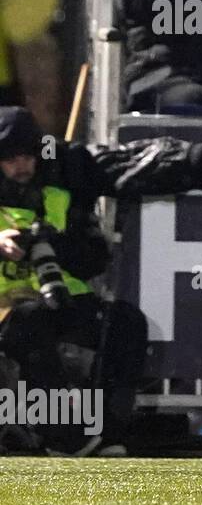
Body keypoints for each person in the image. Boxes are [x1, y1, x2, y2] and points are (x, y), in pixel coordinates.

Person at [0, 107, 146, 456]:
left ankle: (107, 430)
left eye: (26, 156)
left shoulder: (59, 196)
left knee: (125, 322)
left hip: (61, 298)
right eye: (9, 159)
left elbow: (94, 258)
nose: (20, 166)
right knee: (29, 322)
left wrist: (56, 243)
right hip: (8, 308)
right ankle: (64, 436)